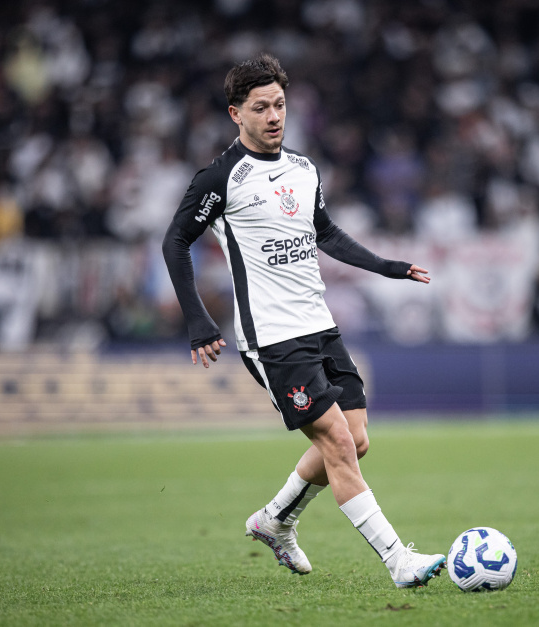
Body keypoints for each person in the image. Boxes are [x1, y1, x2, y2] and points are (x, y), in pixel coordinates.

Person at [161, 54, 446, 588]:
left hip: (318, 323)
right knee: (337, 443)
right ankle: (397, 561)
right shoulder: (220, 178)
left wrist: (387, 266)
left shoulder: (303, 169)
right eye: (260, 107)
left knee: (356, 439)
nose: (274, 116)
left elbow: (327, 233)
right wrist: (199, 322)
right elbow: (175, 242)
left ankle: (276, 518)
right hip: (271, 338)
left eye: (280, 105)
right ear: (235, 114)